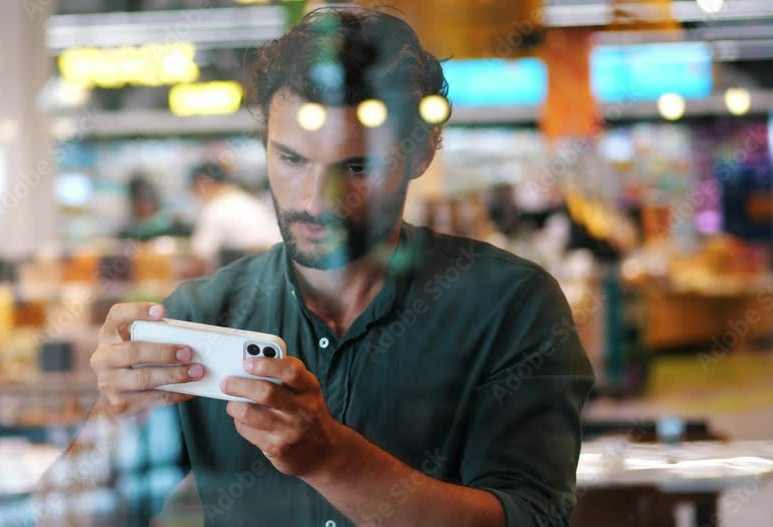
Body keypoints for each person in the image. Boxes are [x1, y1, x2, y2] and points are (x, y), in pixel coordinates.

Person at [57, 7, 594, 526]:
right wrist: (112, 419)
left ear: (422, 152)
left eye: (357, 166)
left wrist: (332, 460)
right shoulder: (204, 316)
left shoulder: (509, 307)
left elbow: (533, 519)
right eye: (291, 158)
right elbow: (64, 515)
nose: (316, 201)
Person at [186, 161, 281, 272]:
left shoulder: (217, 208)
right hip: (276, 264)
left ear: (203, 184)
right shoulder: (243, 199)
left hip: (258, 268)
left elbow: (201, 256)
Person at [117, 173, 190, 241]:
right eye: (140, 199)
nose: (145, 205)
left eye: (148, 198)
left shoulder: (176, 228)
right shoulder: (126, 236)